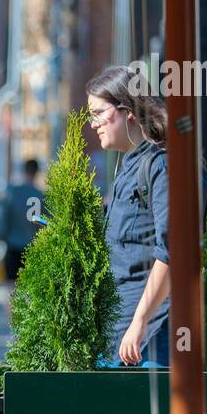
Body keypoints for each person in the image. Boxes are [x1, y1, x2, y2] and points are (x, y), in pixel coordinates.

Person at [86, 65, 171, 367]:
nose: (93, 123)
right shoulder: (128, 165)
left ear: (127, 111)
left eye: (98, 112)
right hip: (119, 333)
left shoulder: (160, 165)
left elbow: (172, 254)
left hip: (151, 340)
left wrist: (141, 322)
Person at [0, 160, 44, 284]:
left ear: (24, 171)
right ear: (37, 172)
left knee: (11, 287)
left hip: (13, 246)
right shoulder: (40, 196)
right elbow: (44, 223)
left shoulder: (11, 192)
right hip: (32, 247)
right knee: (29, 288)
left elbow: (1, 217)